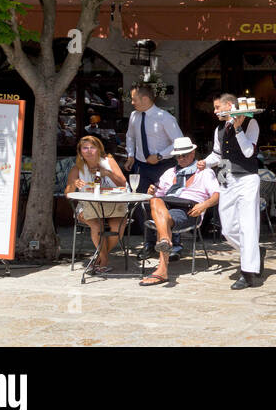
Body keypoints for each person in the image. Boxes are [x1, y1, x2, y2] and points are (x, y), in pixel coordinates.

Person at [199, 92, 263, 290]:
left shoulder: (250, 124)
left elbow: (248, 152)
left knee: (248, 226)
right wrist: (205, 163)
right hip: (226, 178)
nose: (215, 111)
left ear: (229, 105)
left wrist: (237, 129)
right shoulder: (219, 129)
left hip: (247, 179)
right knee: (227, 228)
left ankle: (248, 273)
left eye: (217, 107)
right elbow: (217, 155)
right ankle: (254, 253)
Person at [139, 137, 221, 286]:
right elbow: (158, 194)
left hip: (188, 210)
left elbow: (217, 195)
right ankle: (165, 241)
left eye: (185, 155)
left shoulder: (204, 172)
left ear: (193, 152)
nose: (181, 158)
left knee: (161, 218)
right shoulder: (170, 172)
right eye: (178, 156)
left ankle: (162, 268)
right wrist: (151, 192)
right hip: (166, 206)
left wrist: (204, 206)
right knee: (155, 201)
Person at [65, 134, 129, 275]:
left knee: (119, 224)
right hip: (87, 207)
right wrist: (74, 184)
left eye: (92, 147)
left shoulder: (109, 161)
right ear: (80, 151)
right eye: (85, 148)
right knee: (96, 225)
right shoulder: (77, 169)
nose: (88, 151)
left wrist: (108, 173)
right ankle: (104, 260)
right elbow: (67, 193)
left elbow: (123, 183)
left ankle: (99, 257)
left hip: (112, 205)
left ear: (99, 149)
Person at [124, 84, 184, 197]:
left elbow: (179, 142)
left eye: (134, 99)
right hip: (141, 166)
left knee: (162, 200)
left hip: (163, 166)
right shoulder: (134, 116)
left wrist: (159, 156)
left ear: (145, 99)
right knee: (139, 200)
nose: (132, 103)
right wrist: (131, 155)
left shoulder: (165, 117)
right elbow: (130, 136)